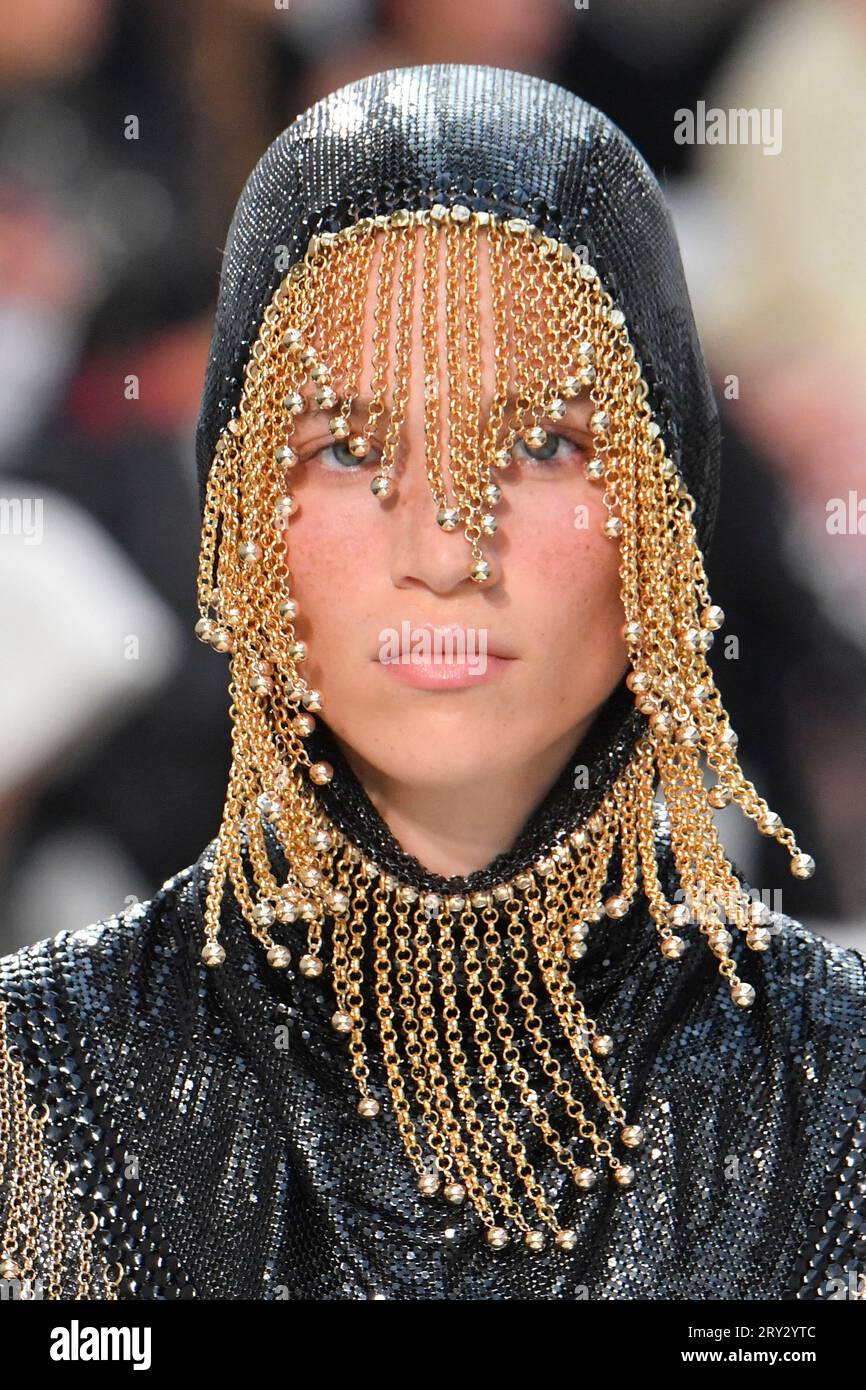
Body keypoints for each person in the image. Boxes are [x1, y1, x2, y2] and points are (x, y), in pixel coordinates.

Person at [1, 65, 864, 1303]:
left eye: (542, 444)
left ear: (670, 504)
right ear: (238, 507)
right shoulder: (42, 1080)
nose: (447, 549)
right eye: (347, 449)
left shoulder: (833, 1094)